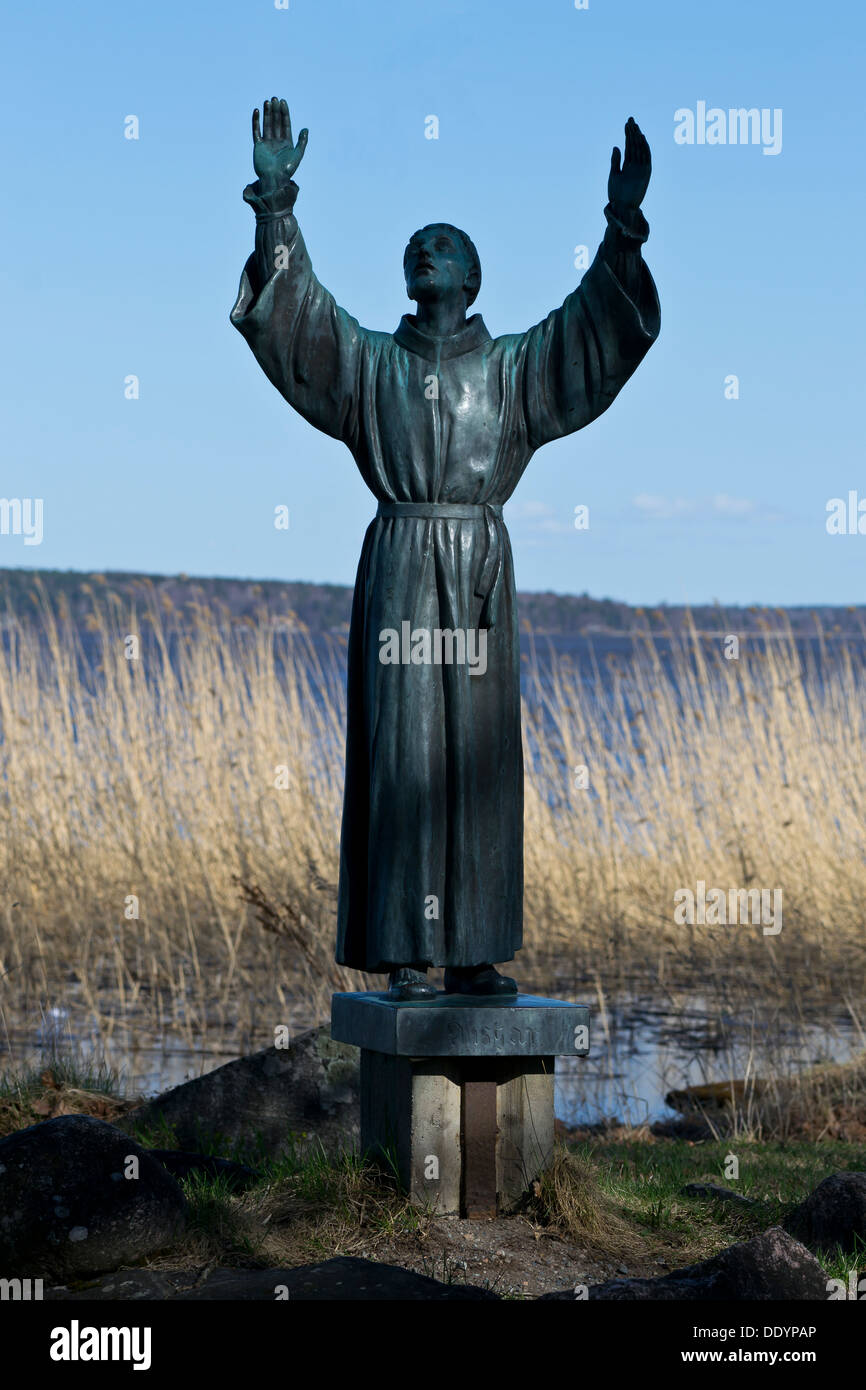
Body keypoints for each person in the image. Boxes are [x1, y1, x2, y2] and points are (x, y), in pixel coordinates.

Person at [231, 98, 660, 999]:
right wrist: (277, 204)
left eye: (446, 244)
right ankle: (404, 951)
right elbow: (297, 318)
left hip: (476, 579)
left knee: (478, 760)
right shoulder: (370, 367)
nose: (427, 249)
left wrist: (621, 229)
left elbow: (595, 329)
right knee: (402, 754)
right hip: (398, 572)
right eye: (417, 243)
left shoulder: (511, 370)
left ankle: (474, 950)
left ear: (472, 276)